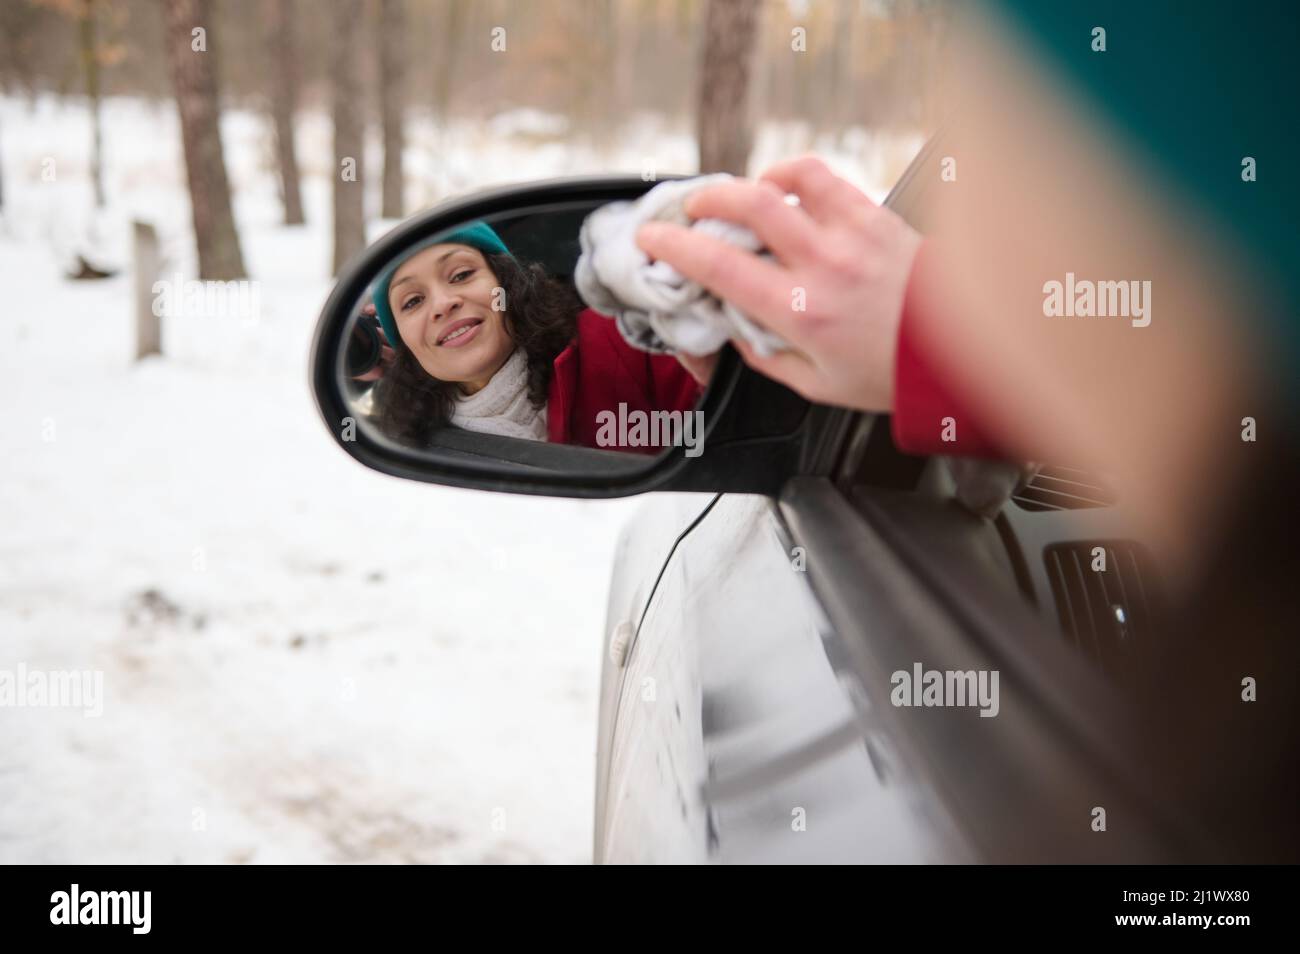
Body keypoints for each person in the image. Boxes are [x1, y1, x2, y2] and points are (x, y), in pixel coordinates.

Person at [367, 222, 703, 453]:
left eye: (462, 274)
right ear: (402, 342)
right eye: (412, 301)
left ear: (507, 283)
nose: (442, 304)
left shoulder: (623, 340)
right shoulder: (409, 441)